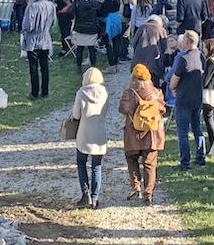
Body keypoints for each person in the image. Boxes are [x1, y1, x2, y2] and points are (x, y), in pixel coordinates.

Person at [118, 64, 167, 206]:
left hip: (133, 132)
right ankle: (148, 194)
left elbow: (122, 109)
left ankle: (136, 186)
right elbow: (162, 109)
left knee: (131, 158)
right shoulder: (156, 92)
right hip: (151, 133)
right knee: (150, 163)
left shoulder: (129, 92)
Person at [72, 67, 109, 209]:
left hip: (84, 132)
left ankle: (85, 193)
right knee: (96, 166)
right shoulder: (104, 92)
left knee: (81, 163)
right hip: (99, 132)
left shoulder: (81, 92)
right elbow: (105, 112)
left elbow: (76, 115)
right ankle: (95, 198)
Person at [170, 30, 206, 171]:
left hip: (184, 98)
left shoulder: (183, 59)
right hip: (197, 98)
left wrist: (173, 88)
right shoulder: (201, 56)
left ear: (188, 42)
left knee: (183, 131)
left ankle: (185, 162)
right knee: (197, 128)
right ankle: (200, 156)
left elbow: (175, 77)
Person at [22, 0, 55, 100]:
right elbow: (53, 22)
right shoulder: (50, 5)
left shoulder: (31, 7)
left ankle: (35, 92)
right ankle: (45, 91)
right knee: (45, 66)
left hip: (33, 40)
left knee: (34, 67)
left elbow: (27, 25)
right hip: (45, 38)